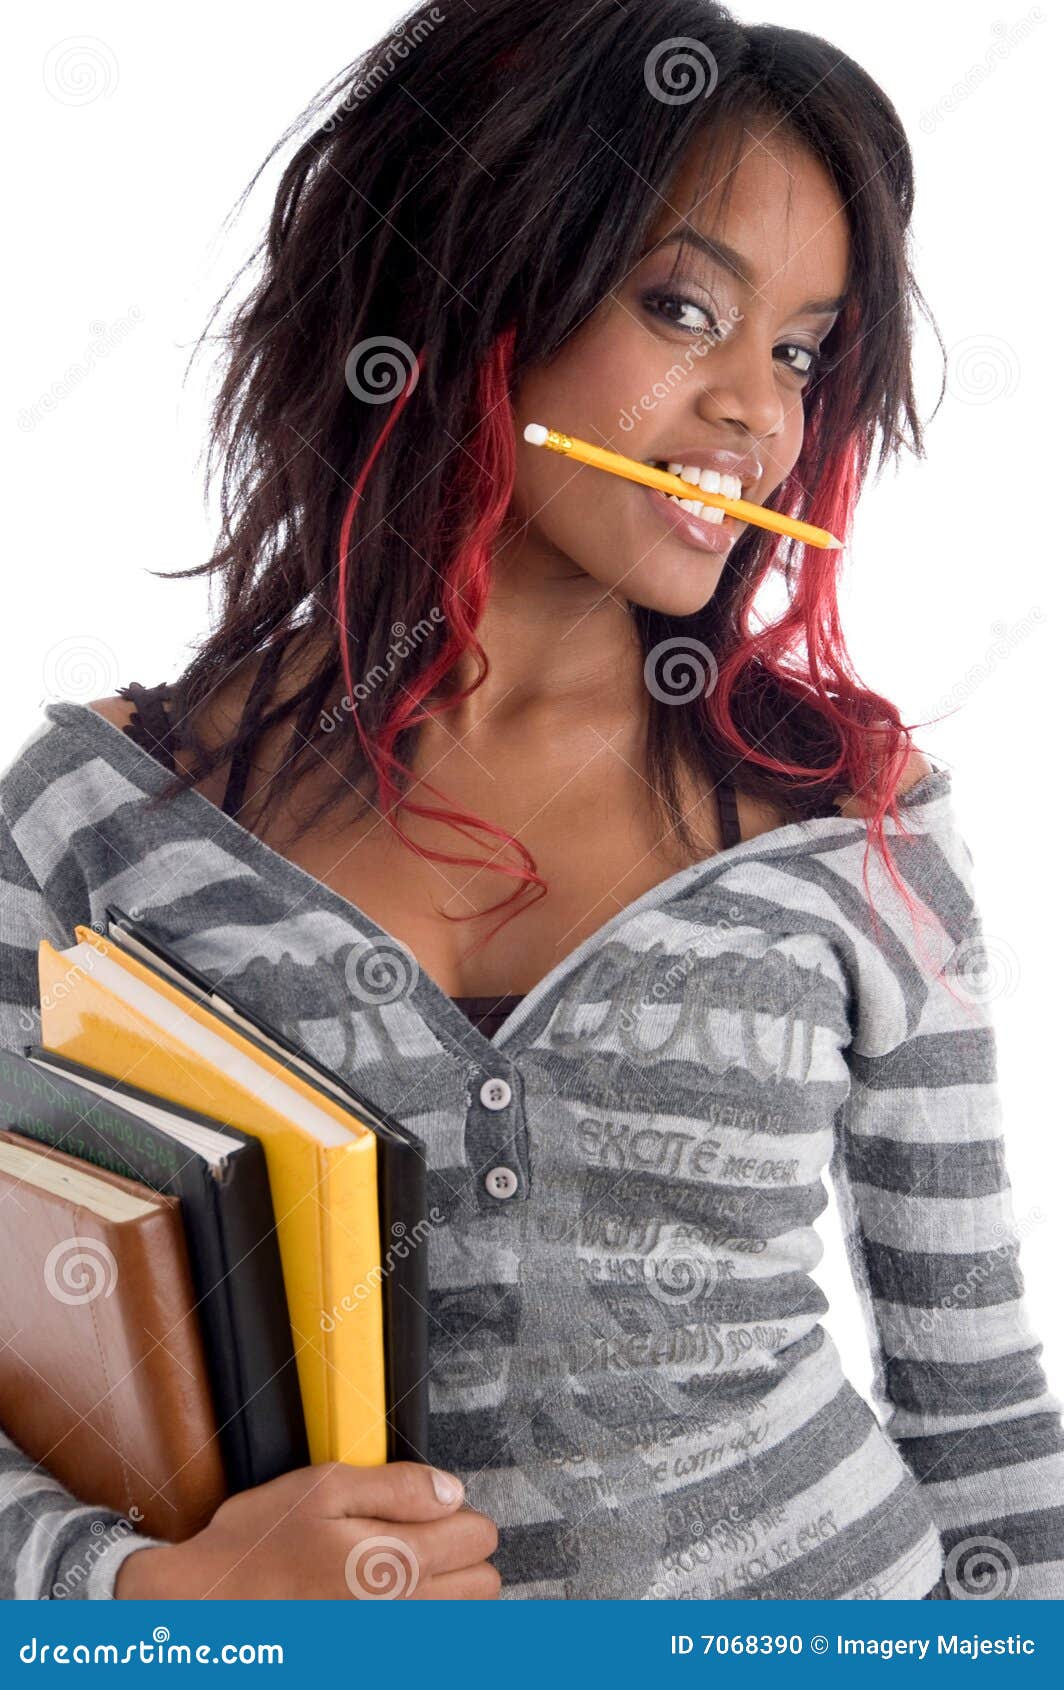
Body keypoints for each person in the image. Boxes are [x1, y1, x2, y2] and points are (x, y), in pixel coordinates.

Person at [1, 0, 1061, 1601]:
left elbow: (979, 1412)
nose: (761, 418)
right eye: (683, 308)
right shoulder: (101, 815)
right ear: (468, 281)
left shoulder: (859, 819)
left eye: (799, 351)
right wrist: (151, 1597)